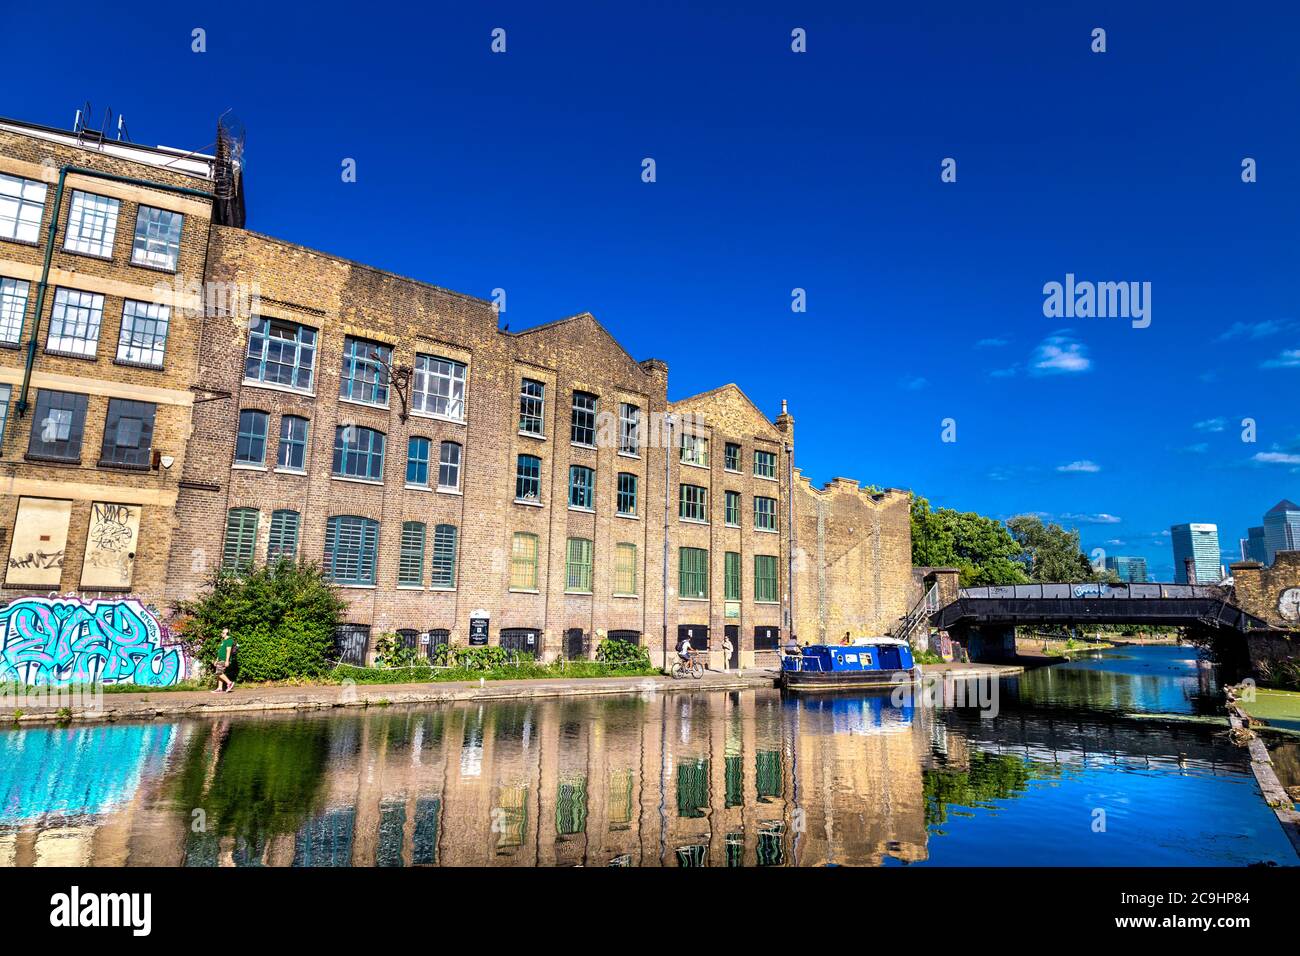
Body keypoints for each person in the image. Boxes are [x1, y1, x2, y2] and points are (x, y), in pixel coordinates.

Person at [212, 627, 237, 693]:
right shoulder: (223, 641)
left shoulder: (229, 640)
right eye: (222, 632)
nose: (221, 634)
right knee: (219, 673)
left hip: (224, 659)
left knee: (219, 673)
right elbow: (220, 651)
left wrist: (227, 660)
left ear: (227, 634)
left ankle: (229, 683)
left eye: (223, 633)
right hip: (220, 659)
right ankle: (219, 688)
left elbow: (228, 651)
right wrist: (216, 660)